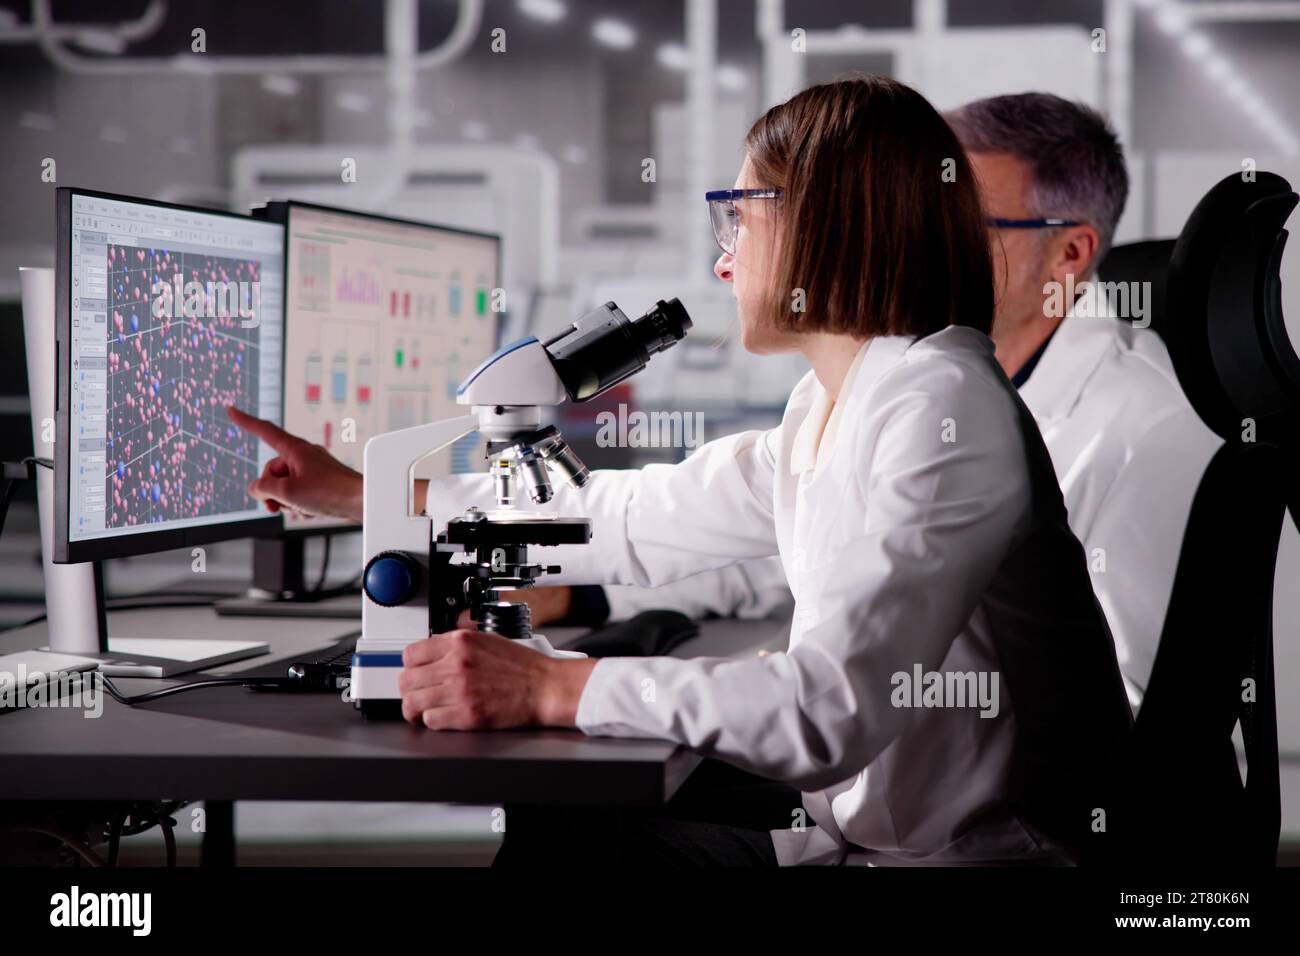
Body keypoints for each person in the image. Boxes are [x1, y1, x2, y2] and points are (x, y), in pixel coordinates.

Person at [229, 75, 1131, 866]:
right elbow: (621, 518)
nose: (723, 257)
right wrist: (364, 494)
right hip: (877, 833)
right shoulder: (838, 401)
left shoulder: (945, 412)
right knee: (572, 826)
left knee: (581, 841)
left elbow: (829, 711)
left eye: (740, 216)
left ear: (825, 223)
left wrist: (550, 685)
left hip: (982, 861)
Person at [945, 93, 1222, 713]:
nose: (927, 249)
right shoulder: (951, 378)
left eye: (965, 226)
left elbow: (1127, 712)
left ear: (1069, 253)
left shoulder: (1148, 431)